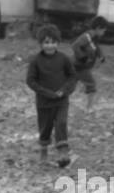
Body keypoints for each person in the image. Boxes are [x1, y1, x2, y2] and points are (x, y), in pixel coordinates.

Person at [26, 25, 78, 167]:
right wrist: (46, 93)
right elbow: (30, 81)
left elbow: (73, 76)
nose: (50, 46)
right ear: (41, 44)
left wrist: (65, 90)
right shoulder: (35, 61)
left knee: (61, 123)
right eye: (46, 42)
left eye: (53, 42)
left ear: (58, 42)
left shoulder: (63, 59)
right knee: (45, 127)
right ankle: (44, 150)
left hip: (62, 100)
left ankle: (63, 153)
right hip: (44, 102)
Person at [71, 16, 107, 110]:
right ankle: (89, 108)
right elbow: (75, 45)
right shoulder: (87, 36)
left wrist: (101, 56)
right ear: (98, 28)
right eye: (103, 30)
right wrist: (83, 58)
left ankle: (58, 100)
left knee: (70, 86)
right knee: (91, 85)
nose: (104, 33)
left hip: (79, 66)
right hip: (79, 66)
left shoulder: (94, 38)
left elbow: (96, 48)